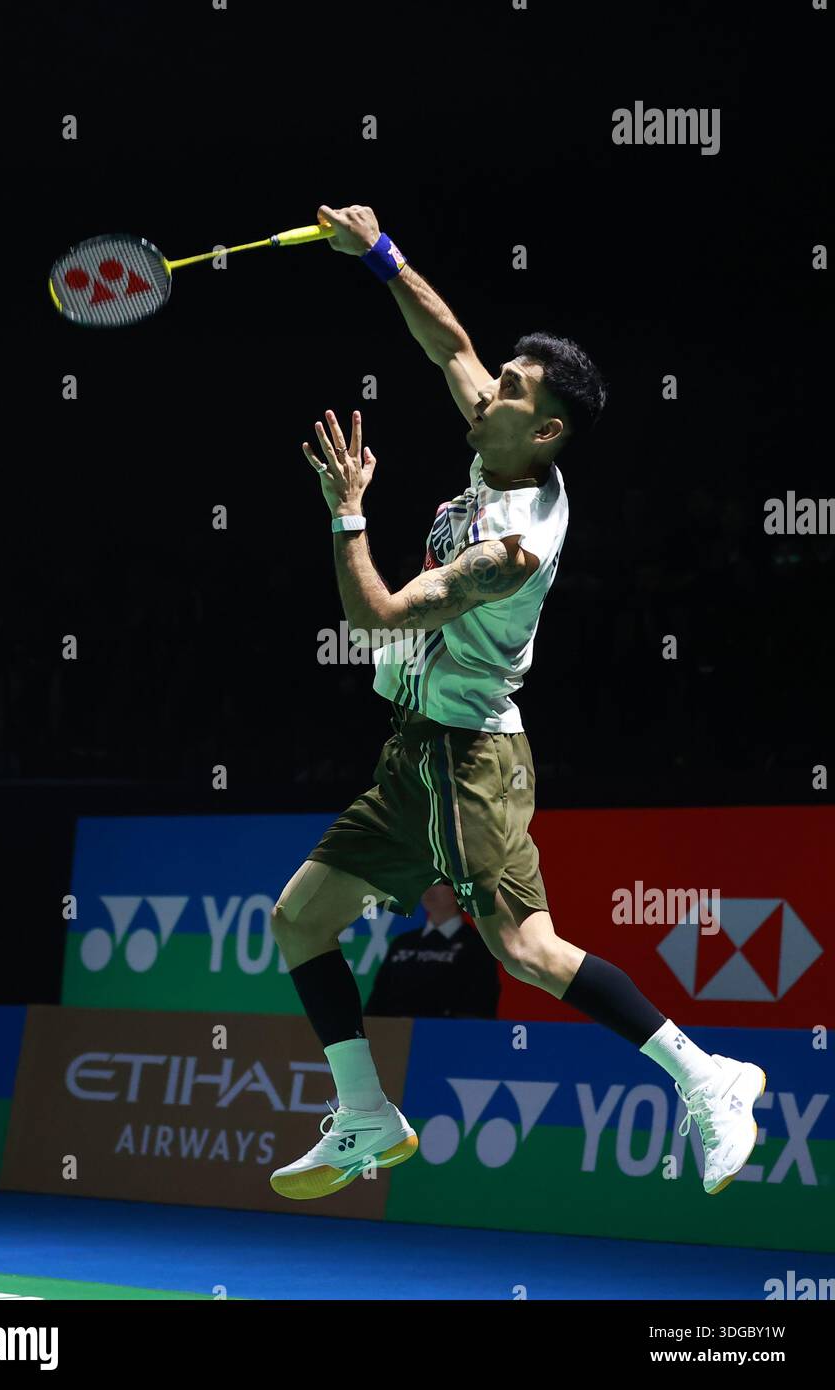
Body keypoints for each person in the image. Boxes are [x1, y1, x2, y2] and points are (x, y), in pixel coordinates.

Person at [269, 203, 765, 1202]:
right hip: (416, 749)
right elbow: (446, 339)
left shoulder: (512, 545)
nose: (485, 387)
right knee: (299, 921)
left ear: (542, 430)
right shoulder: (500, 437)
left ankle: (706, 1075)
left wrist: (347, 510)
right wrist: (378, 251)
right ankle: (367, 1113)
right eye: (498, 377)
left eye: (509, 389)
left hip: (471, 760)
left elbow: (376, 619)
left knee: (525, 949)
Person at [365, 883, 499, 1020]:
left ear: (459, 890)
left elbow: (479, 1009)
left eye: (439, 883)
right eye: (426, 880)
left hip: (447, 1037)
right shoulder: (402, 943)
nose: (429, 888)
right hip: (394, 1036)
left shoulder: (478, 947)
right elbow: (376, 1004)